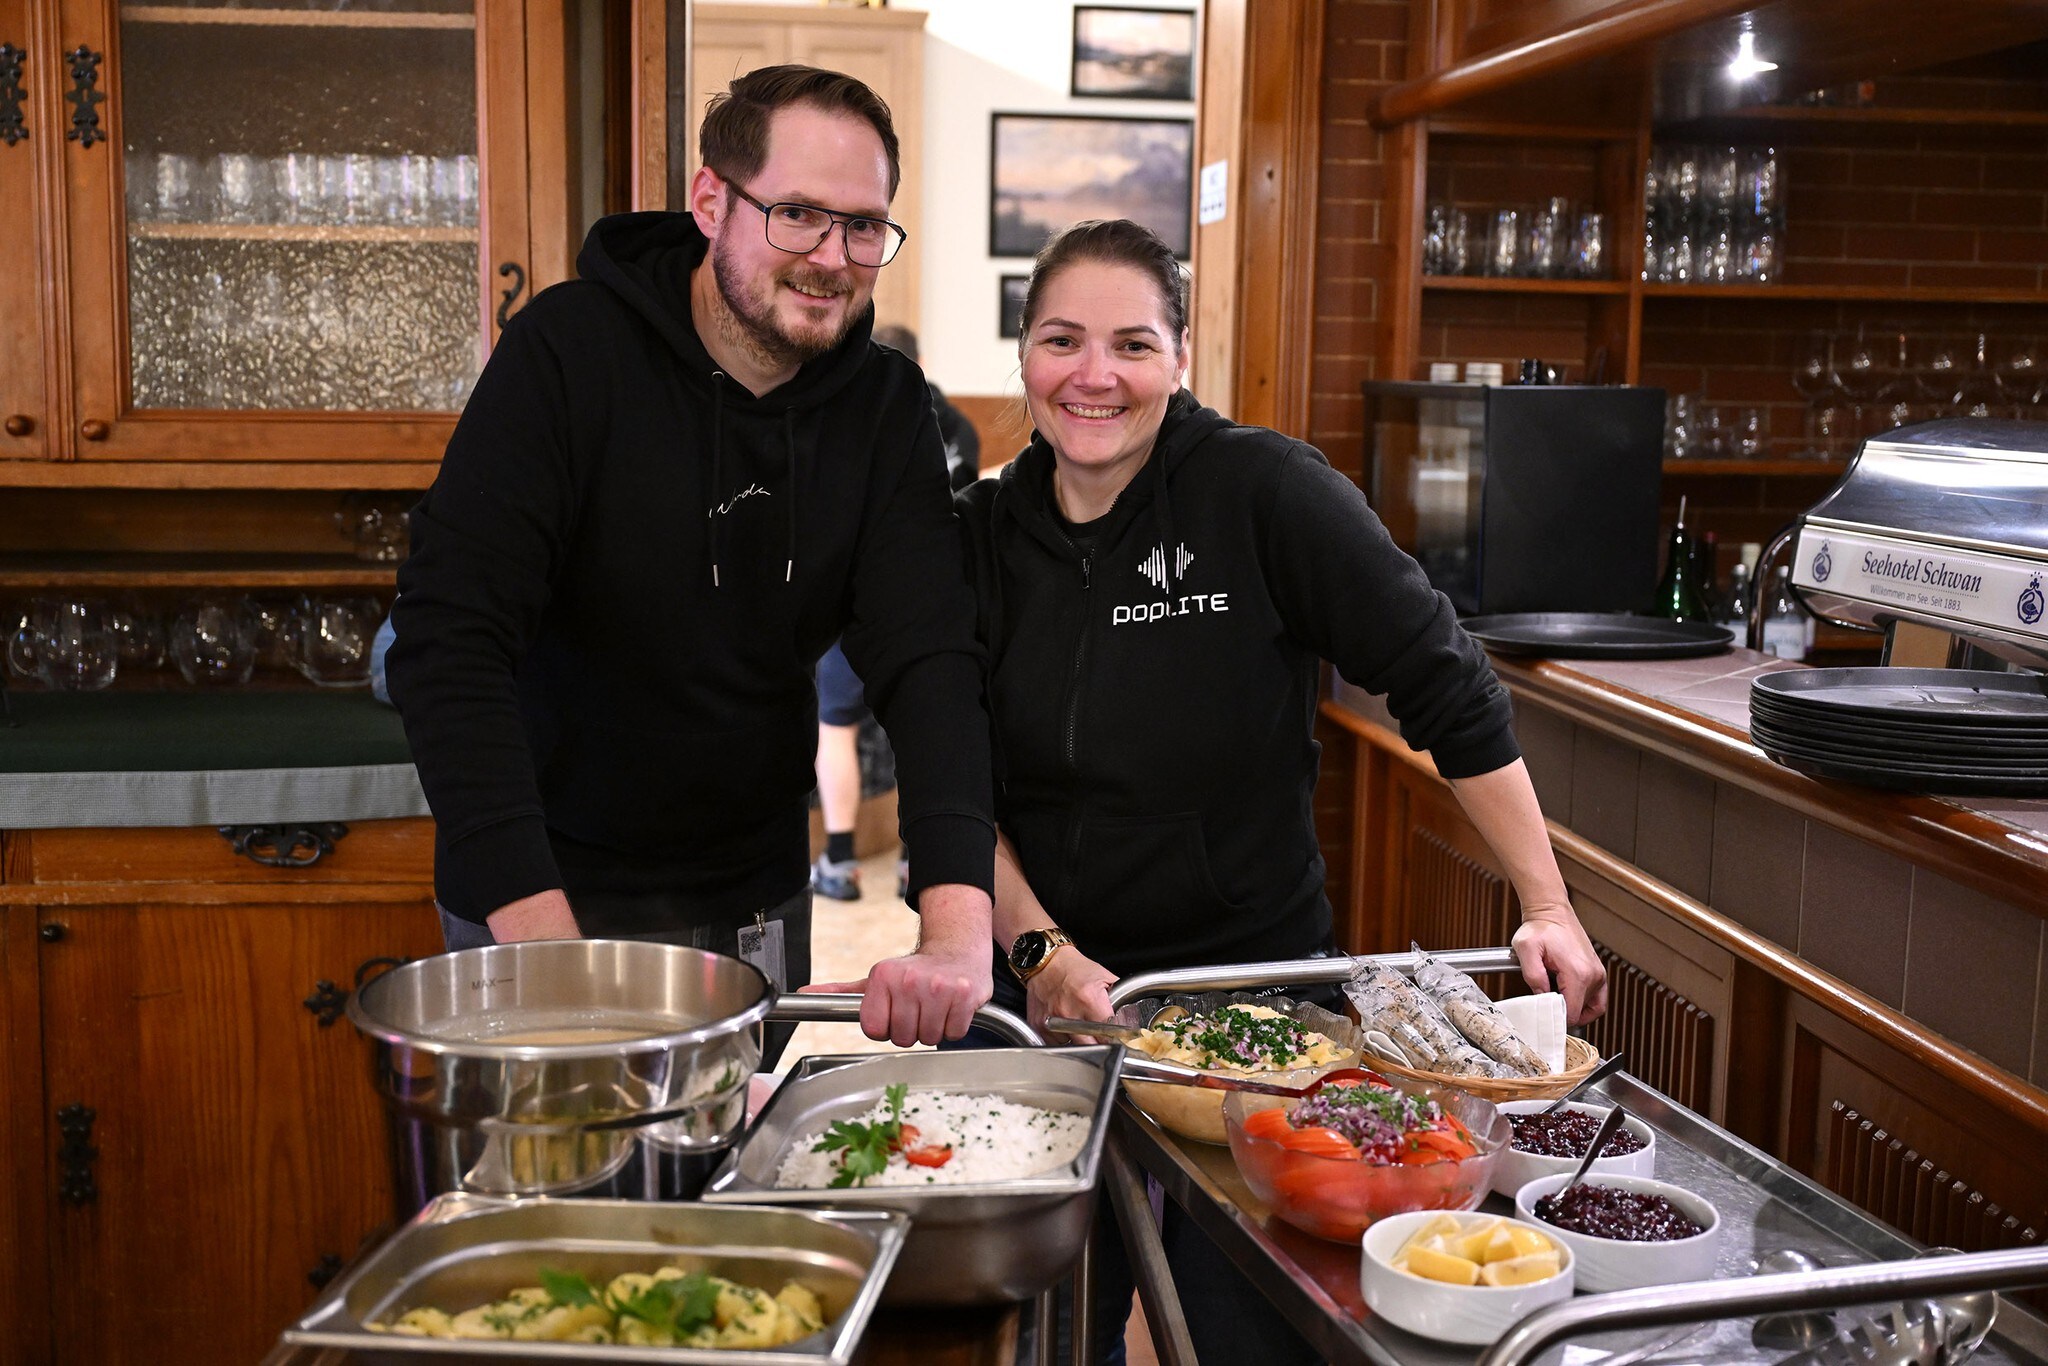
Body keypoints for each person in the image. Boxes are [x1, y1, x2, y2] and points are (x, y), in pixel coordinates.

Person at [955, 218, 1609, 1363]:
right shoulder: (976, 535)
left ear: (1182, 354)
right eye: (1061, 340)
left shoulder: (1261, 493)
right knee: (1040, 1329)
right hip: (1039, 993)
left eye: (1132, 343)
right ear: (1023, 354)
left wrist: (1544, 902)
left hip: (1246, 1002)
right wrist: (1034, 948)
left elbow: (1442, 683)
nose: (1093, 375)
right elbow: (949, 774)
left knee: (1251, 1323)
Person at [385, 64, 997, 1059]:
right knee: (559, 1206)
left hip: (749, 896)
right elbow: (447, 644)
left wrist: (957, 929)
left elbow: (929, 661)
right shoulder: (566, 356)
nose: (832, 258)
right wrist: (544, 947)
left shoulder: (882, 408)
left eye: (861, 227)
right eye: (797, 214)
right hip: (538, 892)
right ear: (711, 199)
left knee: (718, 1194)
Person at [811, 324, 981, 903]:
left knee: (835, 728)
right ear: (923, 359)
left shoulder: (846, 416)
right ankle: (915, 861)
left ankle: (838, 862)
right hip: (929, 603)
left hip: (847, 606)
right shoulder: (957, 427)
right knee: (918, 723)